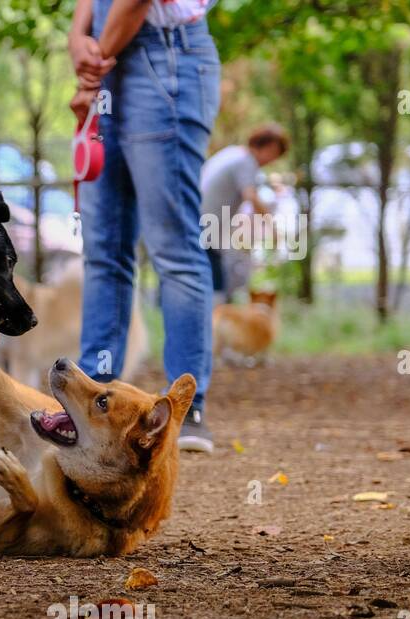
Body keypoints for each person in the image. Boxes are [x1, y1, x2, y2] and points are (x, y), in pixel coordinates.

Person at [68, 0, 221, 453]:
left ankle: (184, 409)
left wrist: (91, 66)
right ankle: (91, 397)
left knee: (173, 247)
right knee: (104, 249)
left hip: (165, 57)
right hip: (109, 57)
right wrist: (78, 39)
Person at [201, 124, 290, 300]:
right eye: (274, 154)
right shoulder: (246, 162)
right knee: (216, 284)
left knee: (211, 276)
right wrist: (272, 227)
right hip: (205, 224)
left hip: (201, 221)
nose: (272, 160)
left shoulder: (235, 153)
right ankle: (216, 320)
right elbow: (251, 196)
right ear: (268, 146)